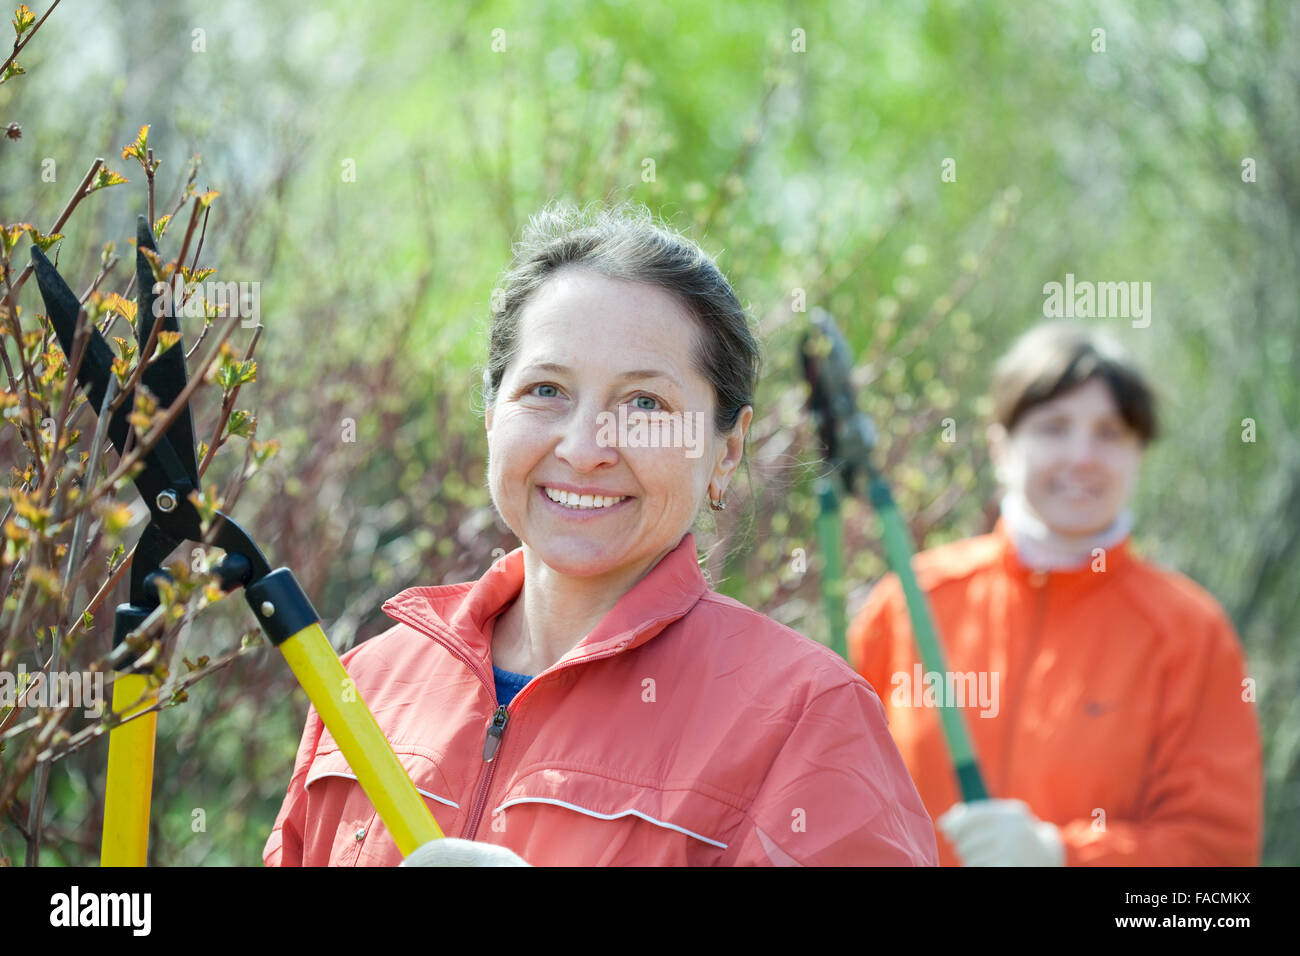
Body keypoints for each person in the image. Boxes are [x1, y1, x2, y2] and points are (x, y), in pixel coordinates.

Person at [263, 202, 939, 866]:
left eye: (644, 404)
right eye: (547, 390)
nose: (586, 447)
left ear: (726, 450)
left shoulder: (804, 719)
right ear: (493, 416)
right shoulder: (370, 683)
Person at [848, 321, 1263, 866]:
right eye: (1053, 427)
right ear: (1001, 446)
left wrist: (1061, 857)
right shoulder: (910, 603)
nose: (1082, 456)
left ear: (1139, 454)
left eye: (1110, 432)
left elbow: (1217, 871)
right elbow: (829, 792)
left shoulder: (1189, 633)